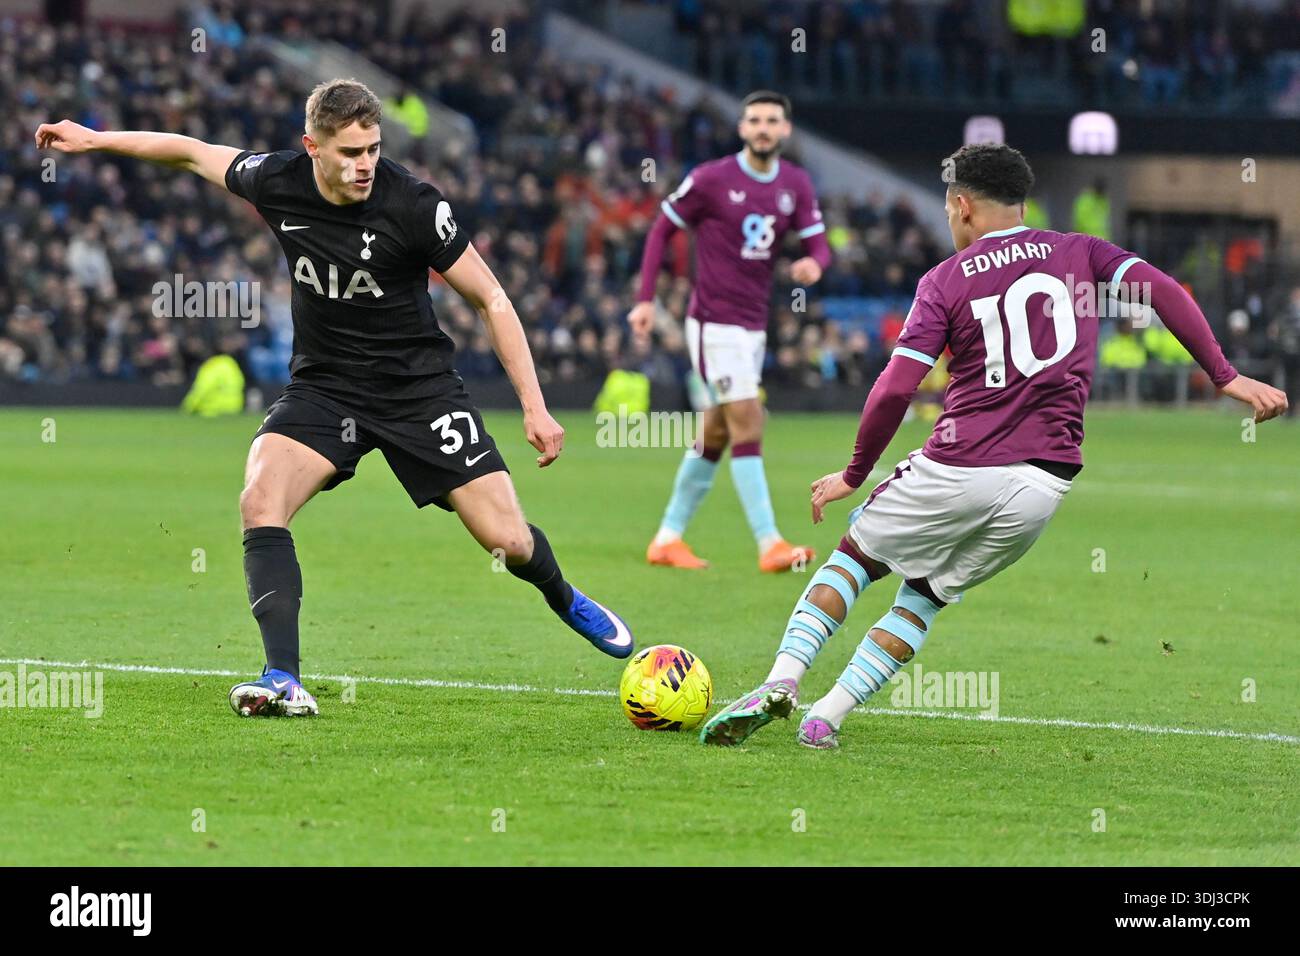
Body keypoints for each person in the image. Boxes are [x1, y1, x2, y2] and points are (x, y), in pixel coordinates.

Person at [36, 79, 635, 719]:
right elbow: (190, 151)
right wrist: (98, 140)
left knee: (508, 541)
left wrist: (535, 406)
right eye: (349, 152)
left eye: (373, 149)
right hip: (327, 387)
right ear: (312, 148)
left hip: (419, 392)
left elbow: (490, 298)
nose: (364, 165)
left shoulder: (414, 205)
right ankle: (282, 677)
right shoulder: (277, 180)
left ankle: (563, 594)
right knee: (259, 499)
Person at [700, 143, 1287, 750]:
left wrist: (855, 471)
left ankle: (781, 682)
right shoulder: (1080, 252)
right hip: (1043, 486)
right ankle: (828, 717)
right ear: (1023, 202)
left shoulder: (945, 279)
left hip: (960, 462)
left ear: (961, 206)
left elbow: (896, 386)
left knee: (854, 561)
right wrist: (1225, 376)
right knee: (924, 597)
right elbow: (1164, 289)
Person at [629, 90, 831, 573]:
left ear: (785, 130)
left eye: (772, 120)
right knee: (748, 417)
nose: (763, 128)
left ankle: (666, 538)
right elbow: (661, 229)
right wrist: (644, 300)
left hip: (753, 325)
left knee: (718, 431)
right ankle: (770, 544)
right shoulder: (711, 179)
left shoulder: (796, 184)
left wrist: (813, 265)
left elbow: (819, 246)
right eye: (754, 120)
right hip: (712, 322)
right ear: (742, 128)